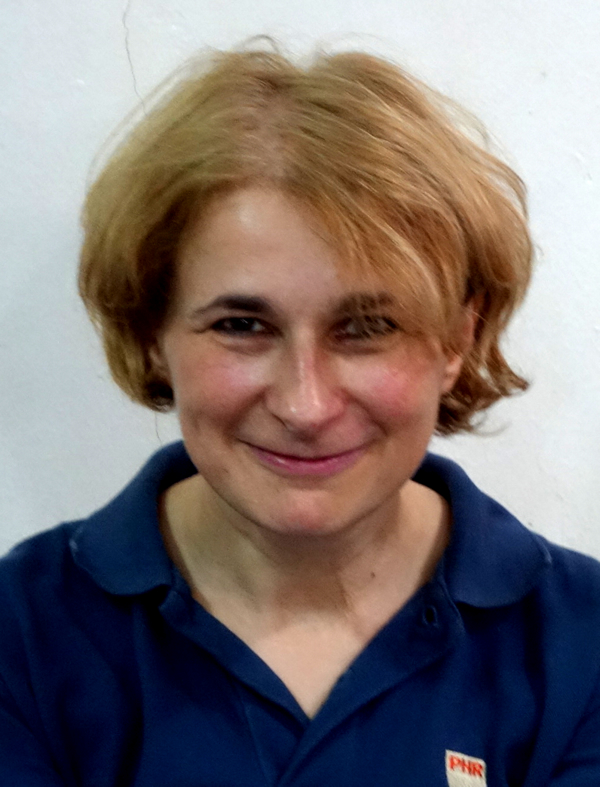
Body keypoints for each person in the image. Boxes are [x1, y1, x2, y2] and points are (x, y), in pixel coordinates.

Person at [0, 42, 599, 787]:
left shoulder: (582, 644)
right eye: (241, 326)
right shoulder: (21, 635)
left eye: (368, 328)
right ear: (152, 334)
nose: (305, 405)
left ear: (458, 339)